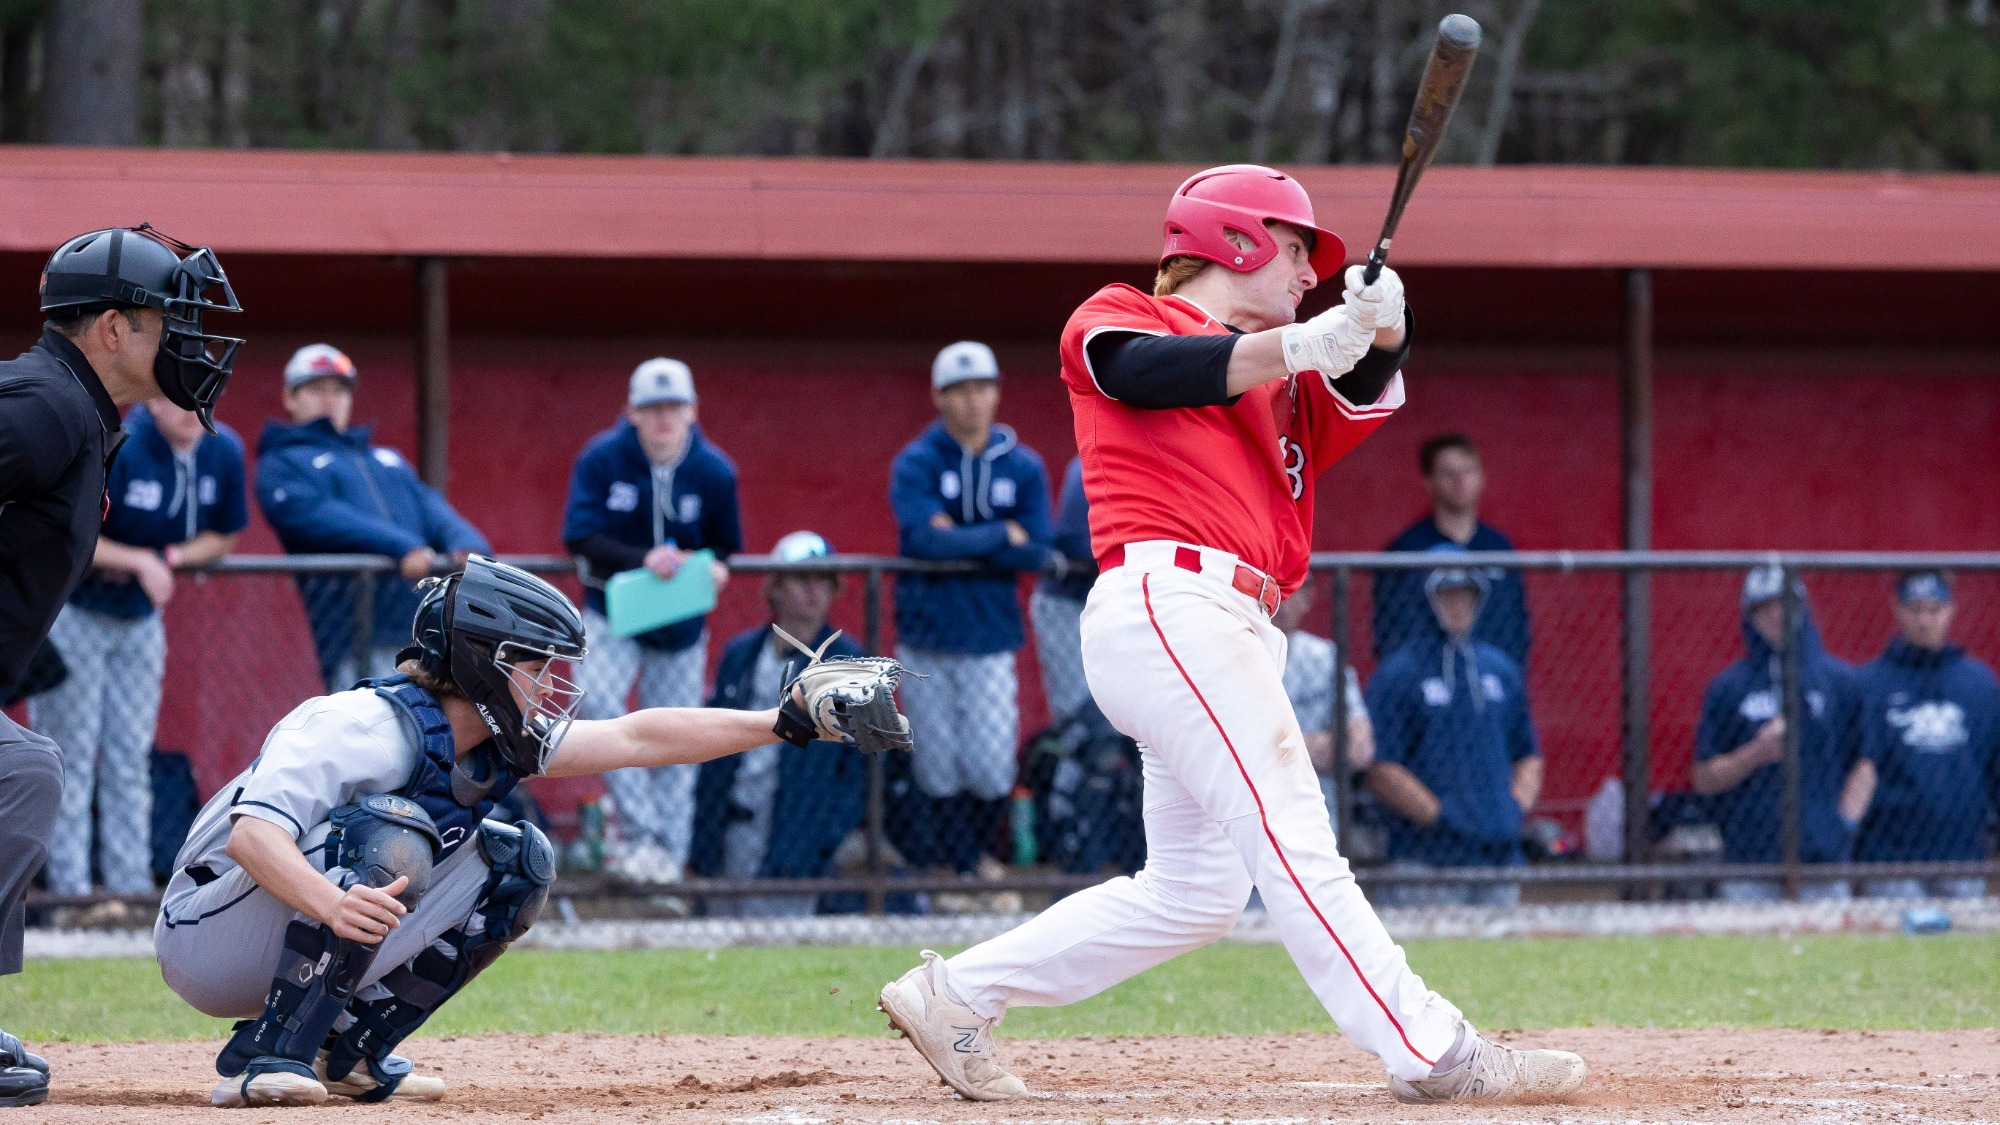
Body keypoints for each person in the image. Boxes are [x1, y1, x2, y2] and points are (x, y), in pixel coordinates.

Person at [877, 164, 1585, 1105]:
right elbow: (1154, 371)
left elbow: (1361, 377)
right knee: (1293, 826)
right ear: (1236, 240)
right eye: (1296, 249)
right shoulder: (1123, 315)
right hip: (1171, 604)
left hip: (1232, 624)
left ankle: (957, 992)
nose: (1306, 272)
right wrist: (1303, 339)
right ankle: (1431, 1048)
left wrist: (1384, 323)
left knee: (1196, 891)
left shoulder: (1285, 389)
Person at [154, 556, 904, 1108]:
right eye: (536, 665)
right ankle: (268, 1054)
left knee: (519, 860)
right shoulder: (355, 724)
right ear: (484, 662)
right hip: (205, 932)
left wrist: (782, 720)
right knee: (395, 829)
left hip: (299, 917)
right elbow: (253, 836)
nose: (552, 683)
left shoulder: (497, 731)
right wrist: (331, 902)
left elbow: (641, 737)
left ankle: (343, 1048)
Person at [0, 224, 242, 1108]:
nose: (186, 341)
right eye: (165, 321)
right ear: (111, 329)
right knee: (22, 768)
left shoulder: (79, 412)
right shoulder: (45, 402)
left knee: (22, 767)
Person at [29, 397, 247, 898]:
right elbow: (72, 531)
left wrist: (167, 556)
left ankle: (127, 891)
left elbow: (225, 535)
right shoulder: (118, 444)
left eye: (207, 396)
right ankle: (72, 893)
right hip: (75, 611)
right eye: (182, 396)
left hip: (141, 622)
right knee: (71, 755)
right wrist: (140, 562)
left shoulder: (222, 447)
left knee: (131, 756)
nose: (196, 409)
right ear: (153, 398)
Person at [562, 357, 742, 885]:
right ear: (631, 413)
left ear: (692, 412)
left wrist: (713, 567)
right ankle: (641, 834)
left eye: (673, 407)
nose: (663, 418)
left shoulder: (714, 470)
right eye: (651, 408)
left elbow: (726, 543)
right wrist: (643, 557)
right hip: (612, 609)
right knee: (597, 702)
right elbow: (580, 535)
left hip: (680, 621)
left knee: (681, 736)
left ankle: (667, 864)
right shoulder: (602, 459)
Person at [888, 341, 1051, 874]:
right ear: (938, 397)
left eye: (982, 388)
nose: (973, 401)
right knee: (936, 764)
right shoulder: (917, 459)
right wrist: (1000, 533)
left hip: (990, 633)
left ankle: (978, 859)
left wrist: (958, 535)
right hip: (927, 632)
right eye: (959, 391)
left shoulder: (1022, 466)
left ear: (997, 392)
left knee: (988, 763)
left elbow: (1036, 548)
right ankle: (950, 867)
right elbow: (921, 541)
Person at [256, 345, 490, 690]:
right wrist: (402, 547)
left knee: (443, 738)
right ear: (290, 398)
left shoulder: (387, 459)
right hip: (357, 638)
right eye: (317, 388)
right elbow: (321, 517)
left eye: (339, 390)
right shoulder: (282, 463)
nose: (329, 399)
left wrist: (466, 542)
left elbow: (432, 508)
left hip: (430, 635)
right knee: (378, 735)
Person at [690, 531, 868, 917]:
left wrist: (825, 837)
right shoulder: (741, 653)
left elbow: (861, 764)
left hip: (796, 832)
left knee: (780, 938)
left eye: (825, 582)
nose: (814, 592)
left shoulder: (846, 659)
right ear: (775, 587)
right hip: (731, 824)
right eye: (802, 580)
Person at [1362, 554, 1542, 907]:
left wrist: (1508, 810)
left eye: (1467, 595)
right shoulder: (1398, 675)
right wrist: (1444, 817)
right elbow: (1380, 767)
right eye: (1447, 594)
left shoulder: (1500, 669)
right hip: (1424, 862)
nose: (1458, 605)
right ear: (1425, 599)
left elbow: (1528, 754)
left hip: (1498, 858)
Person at [1691, 566, 1869, 903]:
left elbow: (1866, 762)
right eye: (1765, 608)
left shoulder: (1840, 682)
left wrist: (1842, 826)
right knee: (1748, 953)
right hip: (1750, 858)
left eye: (1785, 605)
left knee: (1827, 952)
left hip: (1822, 860)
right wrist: (1755, 753)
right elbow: (1703, 778)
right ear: (1750, 617)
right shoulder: (1727, 688)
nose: (1777, 615)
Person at [1850, 571, 1999, 899]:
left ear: (1951, 611)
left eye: (1934, 610)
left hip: (1963, 855)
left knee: (1962, 948)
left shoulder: (1980, 685)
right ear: (1897, 611)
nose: (1924, 620)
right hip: (1889, 857)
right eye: (1915, 609)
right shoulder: (1868, 685)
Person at [1372, 433, 1529, 666]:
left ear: (1482, 478)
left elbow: (1517, 624)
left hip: (1489, 679)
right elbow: (1389, 627)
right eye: (1448, 473)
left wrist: (1505, 673)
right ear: (1429, 481)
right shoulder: (1407, 550)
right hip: (1425, 678)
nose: (1460, 481)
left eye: (1468, 471)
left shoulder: (1499, 547)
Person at [1271, 570, 1375, 821]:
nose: (1283, 599)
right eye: (1275, 588)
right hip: (1253, 808)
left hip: (1319, 813)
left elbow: (1361, 750)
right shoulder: (1237, 655)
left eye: (1291, 589)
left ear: (1308, 597)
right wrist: (1322, 745)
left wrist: (1272, 751)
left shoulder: (1325, 657)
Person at [1029, 456, 1096, 728]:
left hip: (1125, 609)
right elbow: (1073, 541)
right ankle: (1067, 771)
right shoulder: (1088, 463)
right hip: (1068, 606)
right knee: (1081, 722)